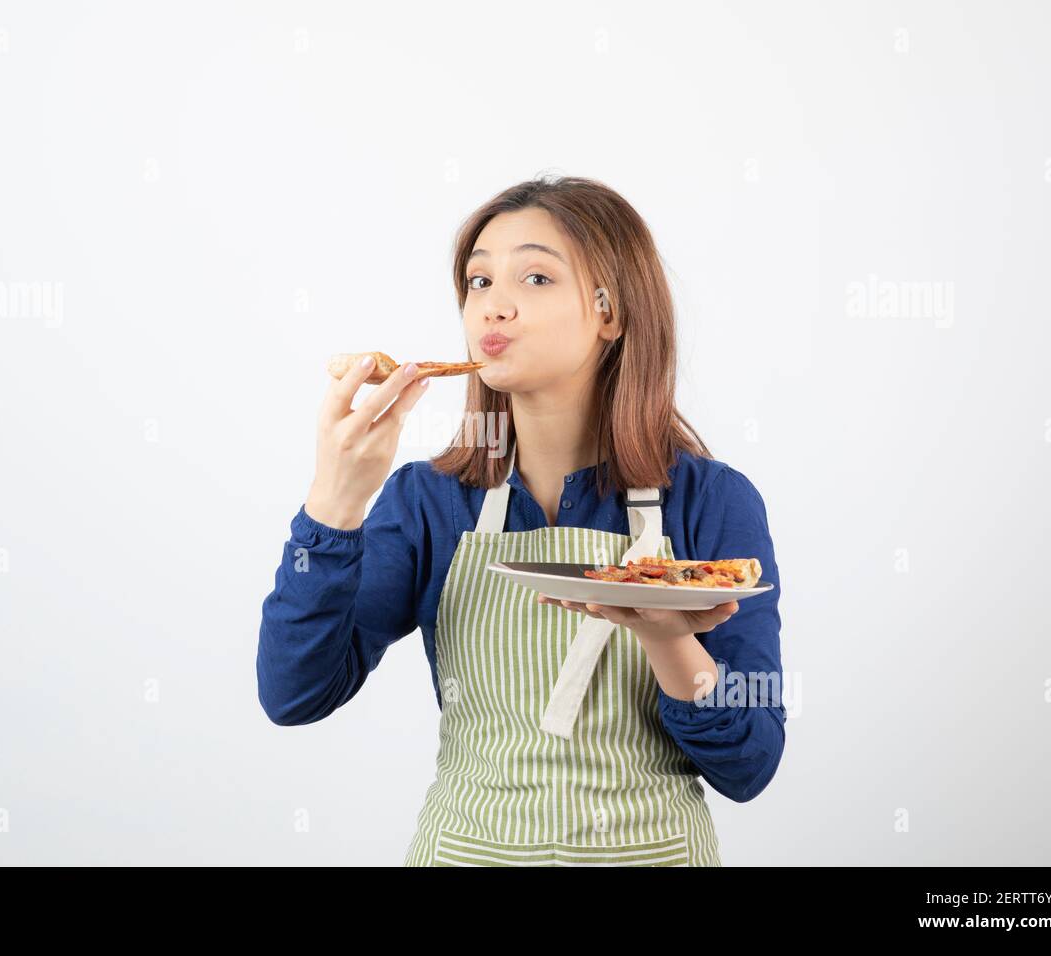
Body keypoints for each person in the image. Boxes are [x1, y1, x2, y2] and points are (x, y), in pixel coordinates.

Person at [258, 175, 785, 866]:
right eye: (478, 282)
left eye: (535, 277)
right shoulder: (430, 502)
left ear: (611, 313)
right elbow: (294, 693)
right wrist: (334, 505)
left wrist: (667, 636)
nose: (493, 307)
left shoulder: (712, 500)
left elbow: (751, 764)